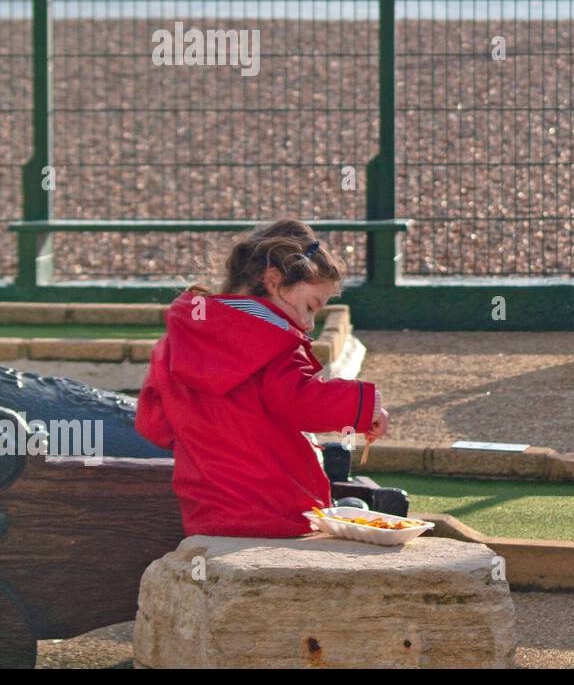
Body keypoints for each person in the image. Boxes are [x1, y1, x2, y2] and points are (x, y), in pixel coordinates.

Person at [135, 219, 391, 538]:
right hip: (276, 508)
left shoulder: (174, 343)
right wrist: (368, 408)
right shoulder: (273, 343)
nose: (309, 323)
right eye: (311, 306)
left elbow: (153, 423)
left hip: (208, 510)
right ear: (274, 281)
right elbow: (301, 402)